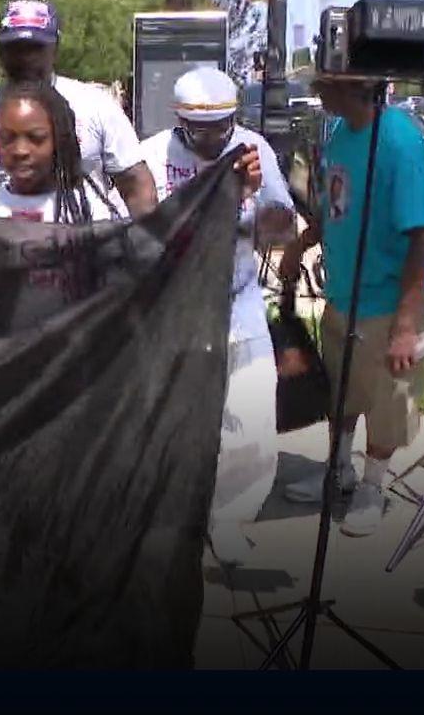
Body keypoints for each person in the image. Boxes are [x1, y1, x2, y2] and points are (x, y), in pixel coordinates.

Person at [139, 67, 294, 565]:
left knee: (249, 414)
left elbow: (282, 228)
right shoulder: (154, 155)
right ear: (180, 122)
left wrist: (253, 196)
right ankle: (174, 515)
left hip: (238, 299)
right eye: (197, 130)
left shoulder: (254, 150)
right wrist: (224, 194)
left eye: (219, 129)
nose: (209, 139)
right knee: (175, 418)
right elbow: (147, 231)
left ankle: (229, 519)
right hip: (176, 308)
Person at [279, 75, 424, 537]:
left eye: (325, 82)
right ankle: (339, 470)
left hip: (387, 303)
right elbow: (335, 207)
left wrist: (407, 325)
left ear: (355, 85)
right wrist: (302, 243)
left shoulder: (398, 141)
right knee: (342, 391)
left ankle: (372, 486)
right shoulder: (342, 135)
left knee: (387, 400)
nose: (317, 88)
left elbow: (421, 235)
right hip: (343, 295)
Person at [0, 0, 157, 217]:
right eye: (15, 48)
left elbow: (137, 188)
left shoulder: (98, 106)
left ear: (56, 47)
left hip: (83, 241)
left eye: (35, 47)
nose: (25, 58)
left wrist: (145, 246)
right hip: (0, 246)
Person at [0, 81, 123, 224]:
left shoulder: (89, 214)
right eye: (7, 137)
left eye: (36, 138)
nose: (20, 151)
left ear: (60, 141)